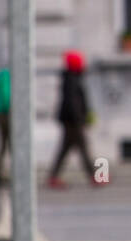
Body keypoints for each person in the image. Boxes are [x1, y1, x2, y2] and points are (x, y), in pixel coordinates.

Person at [48, 49, 100, 188]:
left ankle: (53, 176)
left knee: (65, 150)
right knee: (83, 148)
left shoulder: (72, 77)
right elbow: (73, 102)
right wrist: (80, 119)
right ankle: (95, 176)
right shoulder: (71, 79)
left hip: (71, 120)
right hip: (73, 121)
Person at [0, 67, 11, 181]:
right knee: (6, 145)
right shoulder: (6, 75)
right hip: (6, 114)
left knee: (3, 145)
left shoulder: (3, 74)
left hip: (2, 113)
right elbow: (5, 96)